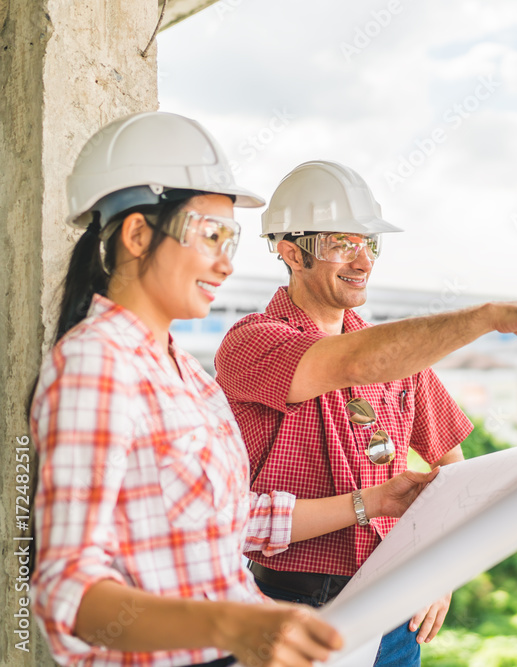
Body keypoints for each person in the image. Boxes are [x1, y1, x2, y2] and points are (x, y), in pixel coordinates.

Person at [30, 114, 439, 667]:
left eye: (232, 238)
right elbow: (66, 592)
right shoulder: (95, 366)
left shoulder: (183, 374)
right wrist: (236, 622)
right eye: (210, 235)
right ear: (136, 235)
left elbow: (234, 518)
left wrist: (375, 503)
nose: (226, 263)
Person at [214, 160, 517, 665]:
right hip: (287, 606)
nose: (362, 261)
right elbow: (352, 363)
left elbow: (453, 466)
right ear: (291, 252)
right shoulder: (253, 345)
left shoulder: (400, 358)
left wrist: (438, 573)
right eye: (340, 244)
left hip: (397, 613)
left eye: (368, 243)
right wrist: (487, 317)